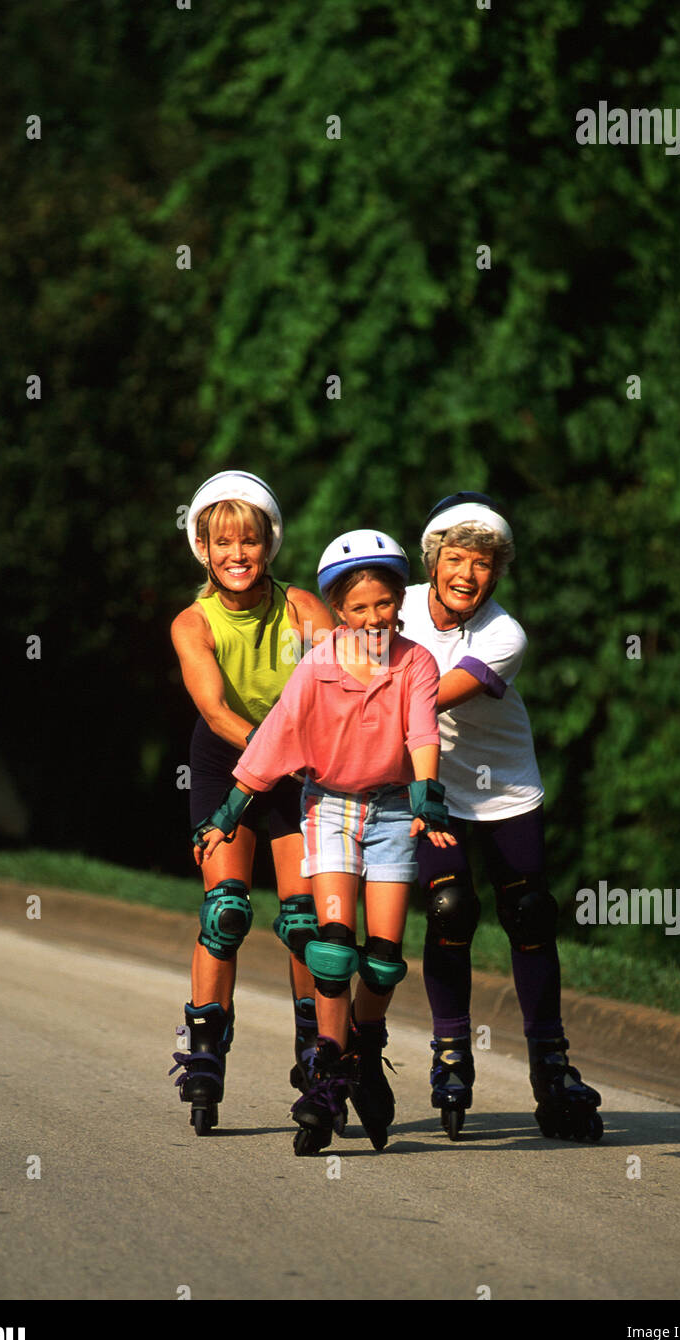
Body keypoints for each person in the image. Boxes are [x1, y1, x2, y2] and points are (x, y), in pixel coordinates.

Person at [194, 530, 456, 1154]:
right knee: (334, 950)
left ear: (400, 602)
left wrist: (427, 794)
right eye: (359, 608)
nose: (374, 618)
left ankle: (366, 1043)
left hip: (394, 812)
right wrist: (230, 811)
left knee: (386, 959)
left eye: (386, 604)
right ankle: (328, 1071)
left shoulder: (415, 661)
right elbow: (275, 738)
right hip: (331, 807)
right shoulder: (318, 664)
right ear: (339, 610)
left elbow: (422, 729)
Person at [398, 492, 604, 1142]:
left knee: (531, 916)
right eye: (456, 557)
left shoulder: (504, 634)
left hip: (505, 786)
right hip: (433, 787)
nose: (467, 574)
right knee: (452, 906)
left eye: (483, 563)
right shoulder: (393, 607)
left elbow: (430, 696)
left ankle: (551, 1064)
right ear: (434, 558)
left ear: (499, 571)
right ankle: (452, 1051)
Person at [168, 470, 335, 1135]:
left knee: (304, 920)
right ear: (202, 549)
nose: (237, 555)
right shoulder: (193, 621)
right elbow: (214, 709)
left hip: (300, 769)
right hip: (226, 763)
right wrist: (281, 754)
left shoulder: (302, 610)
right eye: (223, 543)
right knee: (226, 909)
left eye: (250, 541)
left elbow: (339, 681)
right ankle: (205, 1050)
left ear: (270, 544)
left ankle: (315, 1052)